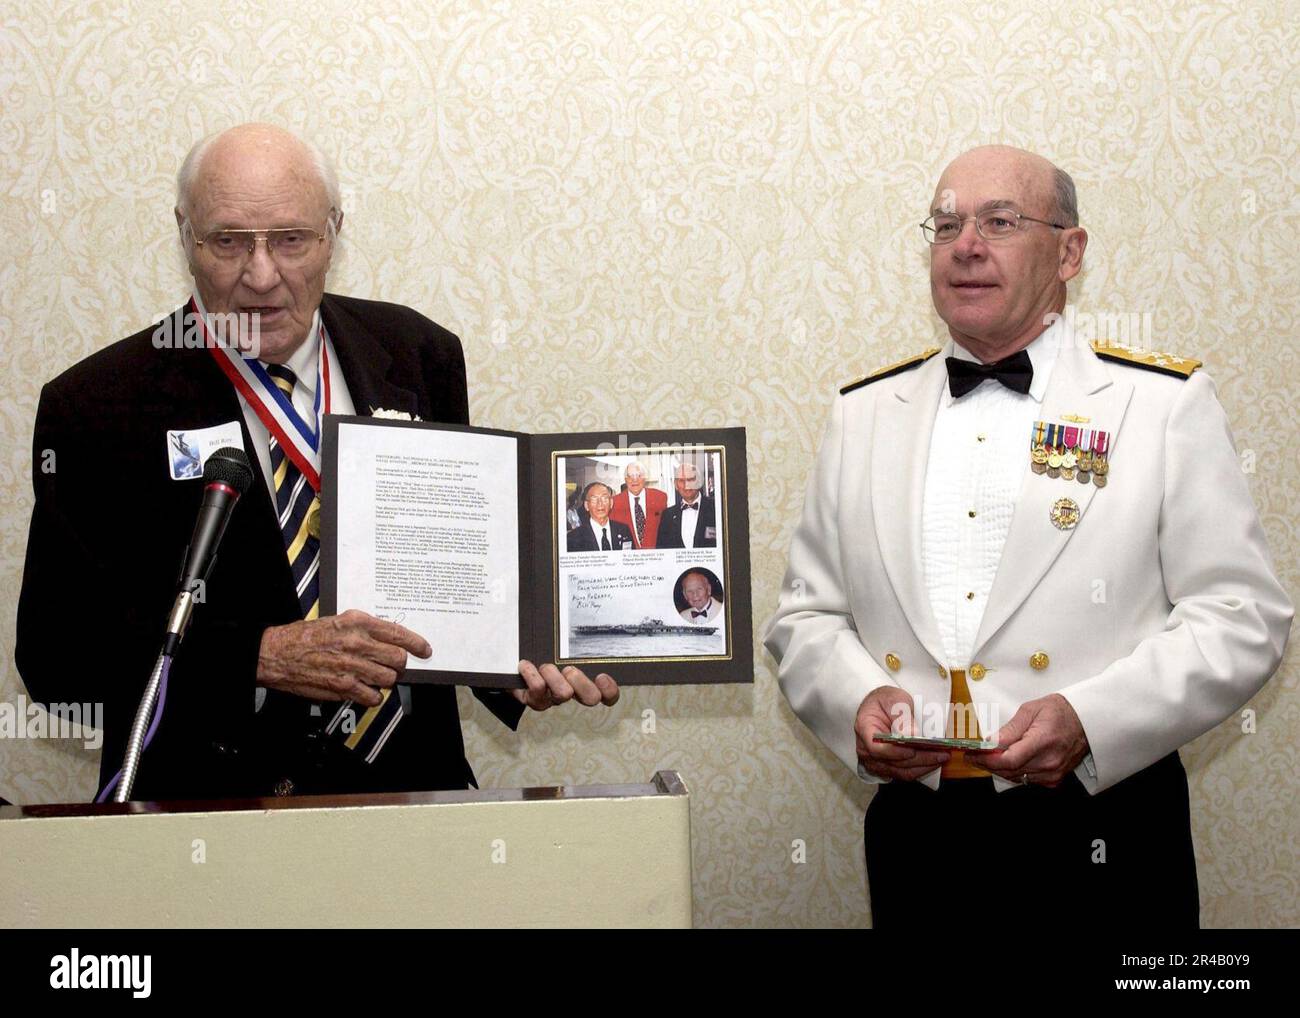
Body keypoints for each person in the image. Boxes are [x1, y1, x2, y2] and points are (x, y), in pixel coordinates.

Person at [763, 144, 1292, 928]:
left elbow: (1243, 615)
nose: (966, 245)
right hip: (921, 834)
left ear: (1069, 252)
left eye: (1000, 222)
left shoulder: (1159, 404)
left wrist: (1091, 719)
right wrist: (856, 702)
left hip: (1103, 825)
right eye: (946, 226)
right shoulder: (863, 412)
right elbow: (806, 616)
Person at [15, 123, 618, 803]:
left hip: (413, 800)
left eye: (291, 240)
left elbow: (453, 573)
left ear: (334, 232)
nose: (262, 275)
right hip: (208, 815)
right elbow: (56, 656)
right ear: (185, 238)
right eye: (228, 241)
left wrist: (515, 663)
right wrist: (257, 658)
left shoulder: (417, 353)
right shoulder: (98, 404)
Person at [656, 463, 717, 549]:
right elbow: (661, 550)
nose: (686, 485)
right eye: (681, 480)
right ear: (676, 485)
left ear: (699, 482)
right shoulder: (667, 515)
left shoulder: (716, 509)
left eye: (691, 479)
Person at [609, 462, 667, 548]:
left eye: (639, 475)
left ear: (645, 478)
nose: (634, 480)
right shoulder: (614, 502)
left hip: (656, 556)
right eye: (630, 476)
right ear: (625, 479)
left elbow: (666, 529)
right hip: (629, 558)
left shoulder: (659, 497)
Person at [565, 481, 634, 552]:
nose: (600, 503)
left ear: (611, 503)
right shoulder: (573, 538)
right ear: (586, 505)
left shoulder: (624, 530)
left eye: (604, 498)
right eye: (594, 499)